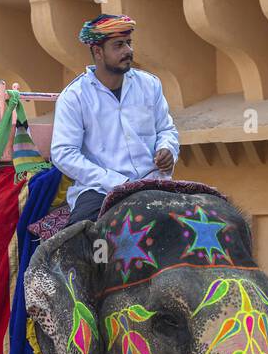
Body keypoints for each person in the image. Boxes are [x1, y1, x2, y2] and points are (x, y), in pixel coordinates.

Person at [50, 14, 180, 225]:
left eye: (128, 43)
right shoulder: (74, 97)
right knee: (79, 240)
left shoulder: (150, 84)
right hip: (100, 190)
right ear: (98, 52)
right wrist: (115, 181)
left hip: (155, 184)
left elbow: (166, 129)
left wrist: (167, 149)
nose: (128, 51)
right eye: (119, 45)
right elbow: (64, 153)